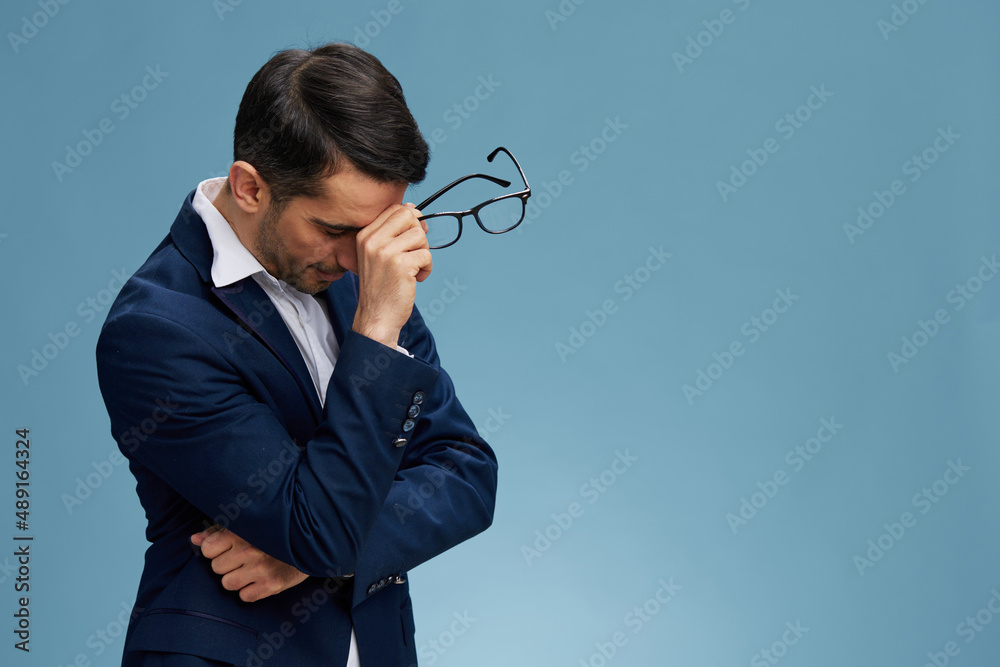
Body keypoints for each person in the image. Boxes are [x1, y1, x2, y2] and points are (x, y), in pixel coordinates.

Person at [96, 42, 498, 667]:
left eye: (374, 230)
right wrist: (376, 335)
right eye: (335, 230)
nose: (356, 257)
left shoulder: (360, 273)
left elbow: (466, 474)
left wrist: (311, 557)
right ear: (250, 187)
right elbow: (320, 528)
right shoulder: (157, 330)